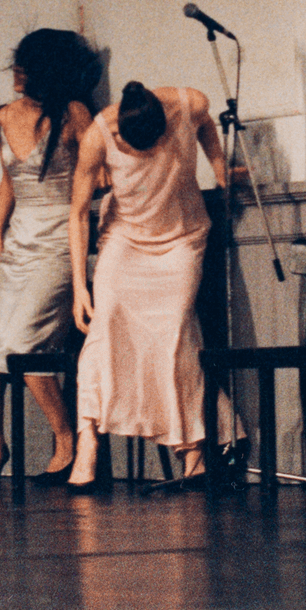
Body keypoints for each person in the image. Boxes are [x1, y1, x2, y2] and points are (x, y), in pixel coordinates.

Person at [65, 82, 234, 491]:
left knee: (174, 334)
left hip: (181, 238)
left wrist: (219, 168)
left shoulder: (189, 102)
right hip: (125, 238)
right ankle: (88, 436)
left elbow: (207, 125)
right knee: (104, 327)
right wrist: (79, 287)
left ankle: (190, 446)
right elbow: (76, 213)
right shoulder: (97, 135)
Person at [0, 29, 101, 485]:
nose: (17, 71)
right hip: (19, 233)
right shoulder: (4, 116)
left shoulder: (74, 113)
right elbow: (9, 179)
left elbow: (99, 167)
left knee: (26, 340)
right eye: (16, 62)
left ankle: (65, 439)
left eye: (27, 63)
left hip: (60, 234)